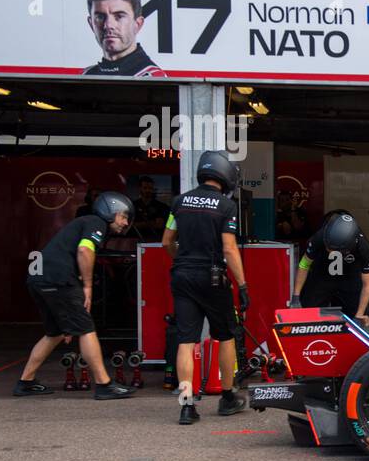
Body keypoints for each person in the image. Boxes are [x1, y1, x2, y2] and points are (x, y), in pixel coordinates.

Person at [14, 192, 137, 400]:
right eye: (123, 217)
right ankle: (104, 384)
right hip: (57, 279)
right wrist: (88, 286)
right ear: (110, 212)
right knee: (86, 329)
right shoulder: (96, 222)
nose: (125, 223)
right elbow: (84, 250)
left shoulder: (84, 222)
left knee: (55, 333)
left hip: (38, 278)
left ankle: (25, 382)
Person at [161, 151, 250, 425]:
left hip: (182, 276)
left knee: (186, 340)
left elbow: (166, 242)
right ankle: (227, 396)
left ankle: (186, 405)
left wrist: (184, 261)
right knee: (225, 335)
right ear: (225, 175)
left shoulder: (179, 202)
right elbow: (229, 248)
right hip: (212, 278)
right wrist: (243, 285)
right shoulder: (225, 206)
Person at [291, 212, 369, 323]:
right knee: (308, 311)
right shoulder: (320, 236)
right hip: (323, 274)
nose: (328, 250)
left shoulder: (363, 247)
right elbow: (304, 265)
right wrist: (296, 296)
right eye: (327, 246)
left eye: (332, 249)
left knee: (359, 317)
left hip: (350, 277)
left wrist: (359, 314)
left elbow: (367, 285)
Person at [82, 0, 167, 78]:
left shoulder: (153, 78)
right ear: (91, 24)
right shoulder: (86, 75)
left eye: (119, 16)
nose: (108, 25)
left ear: (138, 24)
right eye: (100, 17)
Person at [131, 175, 169, 241]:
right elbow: (130, 225)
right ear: (140, 188)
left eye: (150, 188)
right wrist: (152, 223)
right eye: (145, 188)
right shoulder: (132, 206)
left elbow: (160, 225)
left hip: (156, 241)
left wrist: (140, 224)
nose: (148, 190)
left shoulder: (161, 206)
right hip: (135, 241)